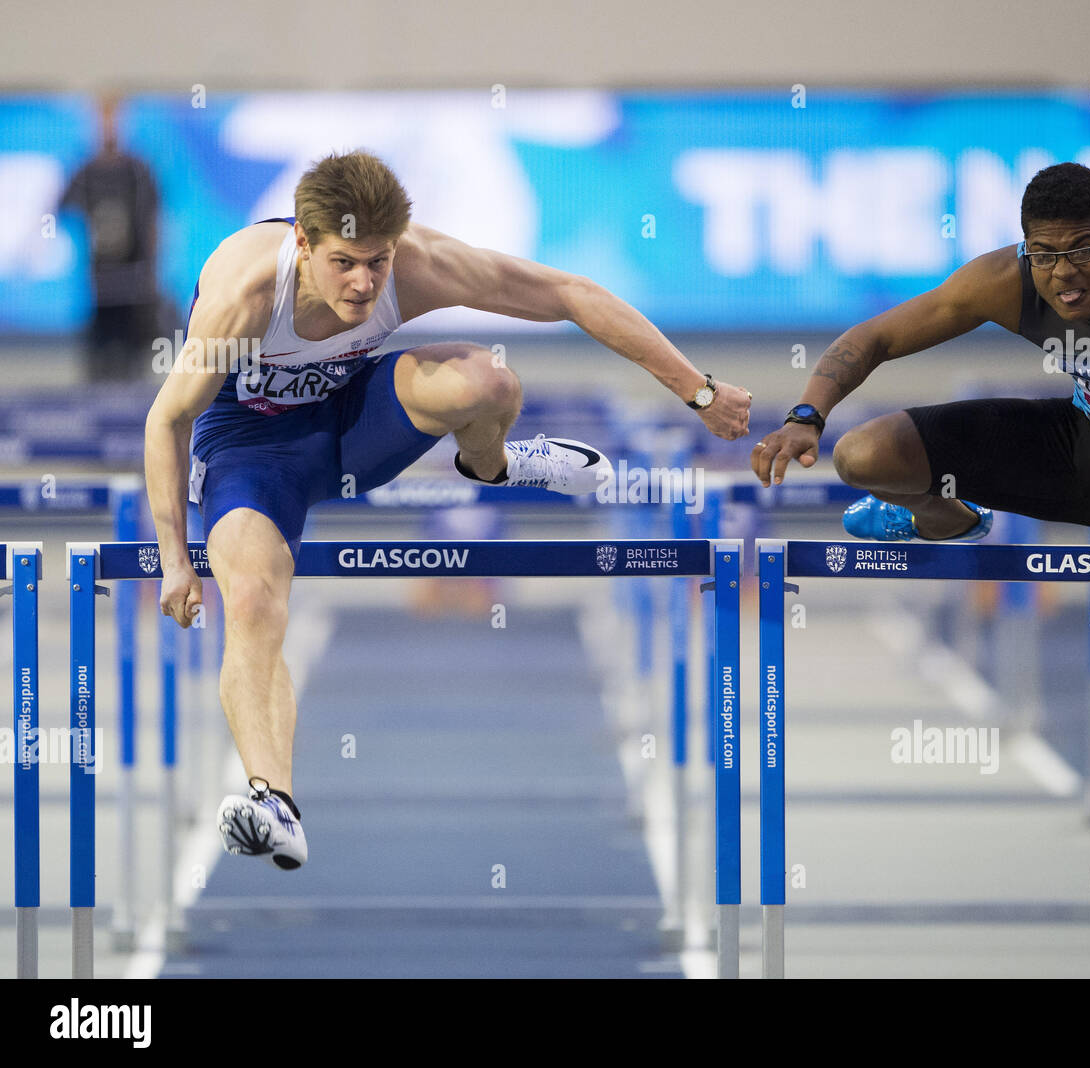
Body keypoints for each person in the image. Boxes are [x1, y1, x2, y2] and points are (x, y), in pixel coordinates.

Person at [145, 151, 751, 869]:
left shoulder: (419, 264)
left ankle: (496, 465)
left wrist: (699, 391)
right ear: (303, 244)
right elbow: (167, 421)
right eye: (344, 263)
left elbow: (570, 292)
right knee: (250, 602)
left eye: (377, 261)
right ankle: (273, 800)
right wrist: (176, 560)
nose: (365, 284)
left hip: (354, 420)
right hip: (251, 447)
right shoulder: (246, 293)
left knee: (489, 381)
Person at [752, 162, 1090, 595]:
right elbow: (875, 337)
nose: (1063, 273)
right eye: (1044, 255)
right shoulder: (1004, 281)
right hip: (1076, 437)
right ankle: (942, 518)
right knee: (861, 455)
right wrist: (806, 415)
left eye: (1083, 250)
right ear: (1027, 249)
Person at [58, 92, 161, 382]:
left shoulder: (138, 171)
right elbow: (60, 207)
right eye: (102, 119)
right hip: (100, 283)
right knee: (99, 361)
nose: (108, 126)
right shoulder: (86, 172)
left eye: (113, 119)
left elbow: (155, 221)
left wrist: (150, 273)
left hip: (134, 283)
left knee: (132, 362)